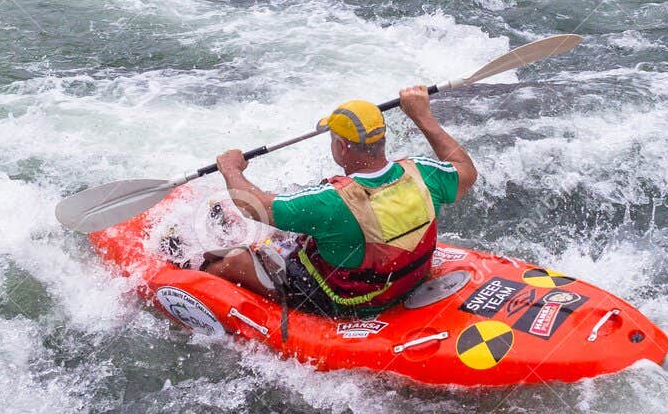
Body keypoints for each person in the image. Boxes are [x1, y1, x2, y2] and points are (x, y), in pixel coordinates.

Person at [203, 86, 475, 316]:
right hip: (409, 280)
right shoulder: (424, 173)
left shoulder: (331, 201)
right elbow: (465, 168)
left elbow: (255, 206)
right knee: (299, 224)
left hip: (349, 302)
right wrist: (422, 115)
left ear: (342, 147)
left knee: (232, 261)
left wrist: (231, 169)